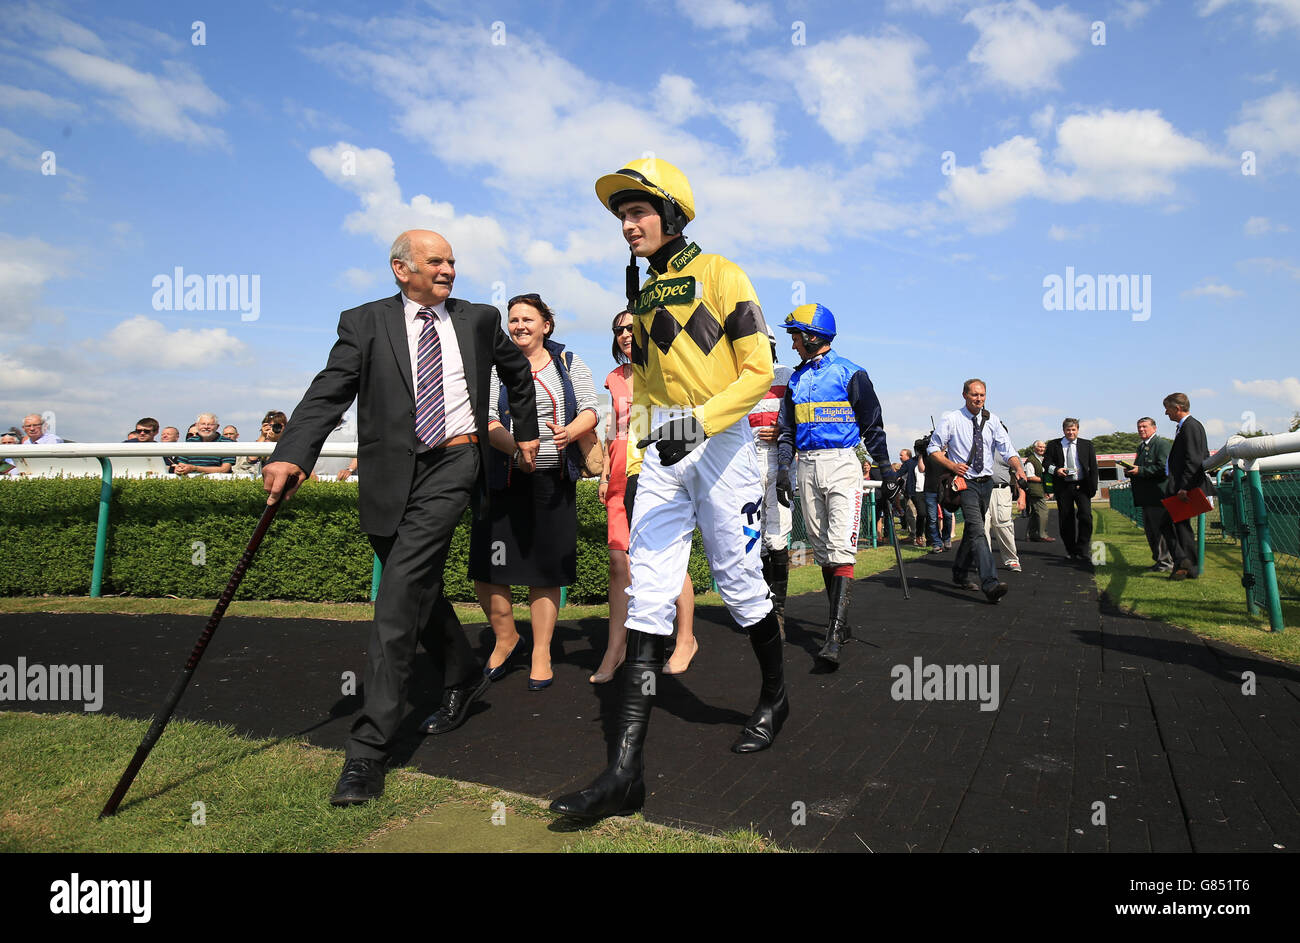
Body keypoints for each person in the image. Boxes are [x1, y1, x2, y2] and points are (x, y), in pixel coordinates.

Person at [263, 229, 539, 807]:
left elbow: (517, 373)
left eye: (452, 262)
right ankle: (462, 675)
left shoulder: (481, 318)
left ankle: (367, 751)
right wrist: (293, 450)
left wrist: (526, 432)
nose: (448, 270)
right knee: (419, 588)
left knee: (395, 597)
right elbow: (330, 389)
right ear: (400, 268)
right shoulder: (363, 322)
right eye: (435, 261)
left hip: (456, 462)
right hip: (389, 477)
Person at [550, 157, 784, 820]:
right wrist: (641, 450)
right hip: (663, 453)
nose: (628, 225)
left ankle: (775, 694)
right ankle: (624, 772)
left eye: (639, 212)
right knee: (647, 598)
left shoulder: (721, 273)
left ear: (674, 214)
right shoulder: (645, 296)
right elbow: (648, 388)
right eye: (623, 216)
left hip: (723, 444)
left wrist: (698, 421)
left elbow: (758, 370)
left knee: (740, 585)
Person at [469, 293, 599, 691]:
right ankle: (507, 638)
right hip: (503, 481)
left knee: (546, 570)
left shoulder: (569, 362)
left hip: (553, 484)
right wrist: (517, 448)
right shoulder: (495, 366)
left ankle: (541, 650)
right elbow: (486, 418)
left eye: (528, 319)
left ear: (546, 325)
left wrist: (569, 433)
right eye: (513, 320)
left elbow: (591, 410)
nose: (519, 326)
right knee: (488, 570)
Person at [775, 302, 896, 667]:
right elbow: (786, 430)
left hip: (843, 464)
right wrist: (783, 467)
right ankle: (839, 625)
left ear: (812, 336)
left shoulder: (852, 374)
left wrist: (887, 470)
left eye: (796, 336)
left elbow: (873, 426)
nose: (793, 343)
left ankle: (833, 635)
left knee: (841, 545)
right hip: (806, 467)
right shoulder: (795, 380)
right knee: (823, 548)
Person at [594, 310, 696, 683]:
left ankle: (685, 637)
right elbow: (613, 427)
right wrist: (605, 472)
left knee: (666, 555)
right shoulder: (613, 379)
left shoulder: (663, 368)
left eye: (630, 328)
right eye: (618, 329)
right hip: (620, 468)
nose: (624, 334)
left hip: (654, 465)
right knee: (619, 563)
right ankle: (615, 648)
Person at [927, 379, 1028, 603]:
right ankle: (990, 583)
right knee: (978, 528)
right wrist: (952, 466)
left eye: (982, 395)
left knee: (973, 530)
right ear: (964, 395)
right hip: (966, 483)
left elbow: (1006, 448)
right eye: (974, 395)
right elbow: (933, 448)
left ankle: (960, 572)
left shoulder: (993, 420)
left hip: (986, 483)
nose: (979, 399)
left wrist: (1018, 468)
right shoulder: (952, 419)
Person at [749, 325, 794, 636]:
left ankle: (777, 610)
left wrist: (782, 433)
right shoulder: (738, 378)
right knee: (752, 537)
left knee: (776, 537)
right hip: (746, 463)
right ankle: (760, 608)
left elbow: (798, 420)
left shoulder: (788, 375)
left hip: (778, 461)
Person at [1159, 393, 1215, 580]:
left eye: (1167, 408)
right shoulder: (1187, 427)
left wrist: (1184, 487)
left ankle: (1185, 563)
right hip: (1182, 486)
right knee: (1178, 526)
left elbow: (1194, 459)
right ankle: (1187, 565)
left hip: (1185, 488)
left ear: (1177, 408)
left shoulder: (1190, 427)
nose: (1166, 412)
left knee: (1171, 525)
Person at [1044, 418, 1099, 563]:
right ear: (1063, 431)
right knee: (1066, 519)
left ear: (1078, 430)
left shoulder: (1087, 445)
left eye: (1073, 429)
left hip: (1082, 486)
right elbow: (1046, 464)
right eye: (1068, 430)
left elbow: (1093, 468)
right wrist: (1056, 470)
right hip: (1063, 487)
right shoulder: (1054, 445)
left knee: (1086, 517)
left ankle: (1082, 549)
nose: (1071, 432)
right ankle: (1071, 550)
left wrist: (1092, 488)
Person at [1126, 416, 1173, 572]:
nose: (1141, 429)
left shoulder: (1161, 444)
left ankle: (1166, 562)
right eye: (1139, 427)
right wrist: (1132, 471)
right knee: (1151, 531)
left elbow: (1163, 468)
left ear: (1154, 428)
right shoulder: (1142, 446)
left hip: (1158, 495)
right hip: (1146, 496)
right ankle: (1159, 560)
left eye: (1145, 426)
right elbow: (1142, 468)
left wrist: (1140, 470)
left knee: (1160, 531)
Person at [984, 425, 1022, 573]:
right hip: (981, 491)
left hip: (1001, 490)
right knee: (982, 528)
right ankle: (985, 562)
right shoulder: (978, 449)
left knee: (1003, 526)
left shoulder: (1009, 452)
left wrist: (1022, 496)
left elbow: (1020, 474)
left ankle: (1011, 560)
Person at [234, 411, 287, 477]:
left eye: (278, 426)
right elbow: (251, 459)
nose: (274, 429)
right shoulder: (260, 443)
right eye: (271, 426)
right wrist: (263, 436)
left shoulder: (288, 444)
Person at [1022, 440, 1054, 542]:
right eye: (1040, 447)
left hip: (1040, 489)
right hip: (1034, 489)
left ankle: (1030, 534)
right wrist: (1044, 480)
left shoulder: (1041, 459)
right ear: (1034, 448)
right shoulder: (1031, 460)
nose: (1042, 449)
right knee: (1043, 511)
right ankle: (1042, 534)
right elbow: (1029, 476)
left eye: (1043, 447)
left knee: (1036, 513)